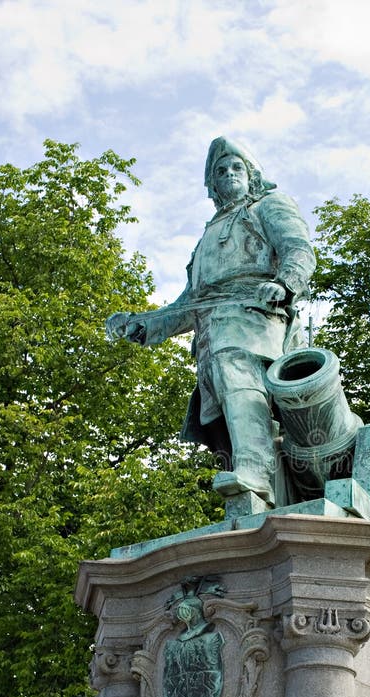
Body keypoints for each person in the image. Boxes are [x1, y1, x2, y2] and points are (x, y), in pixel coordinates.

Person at [107, 136, 316, 506]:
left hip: (255, 318)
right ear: (213, 185)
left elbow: (298, 249)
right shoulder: (206, 237)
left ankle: (256, 470)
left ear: (251, 176)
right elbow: (189, 304)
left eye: (237, 167)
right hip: (211, 333)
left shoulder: (268, 206)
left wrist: (284, 284)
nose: (230, 174)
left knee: (235, 366)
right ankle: (250, 472)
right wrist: (142, 324)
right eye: (221, 171)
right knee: (224, 390)